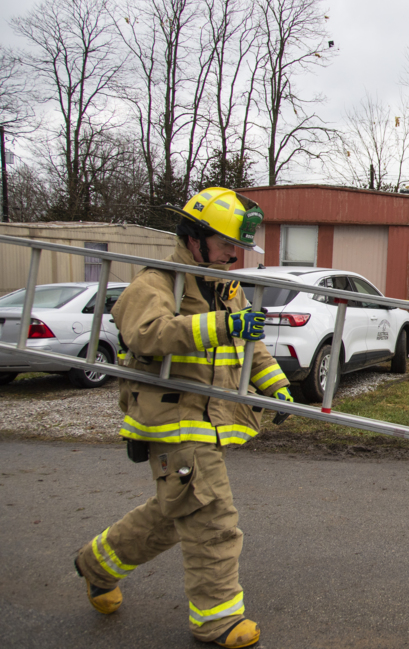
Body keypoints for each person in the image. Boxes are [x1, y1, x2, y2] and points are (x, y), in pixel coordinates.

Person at [74, 187, 293, 648]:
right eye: (225, 243)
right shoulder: (155, 283)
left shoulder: (223, 287)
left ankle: (97, 564)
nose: (233, 254)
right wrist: (222, 325)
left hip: (207, 420)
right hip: (171, 421)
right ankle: (217, 621)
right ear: (194, 238)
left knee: (175, 512)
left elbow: (249, 345)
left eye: (237, 246)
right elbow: (147, 334)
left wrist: (277, 387)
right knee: (212, 517)